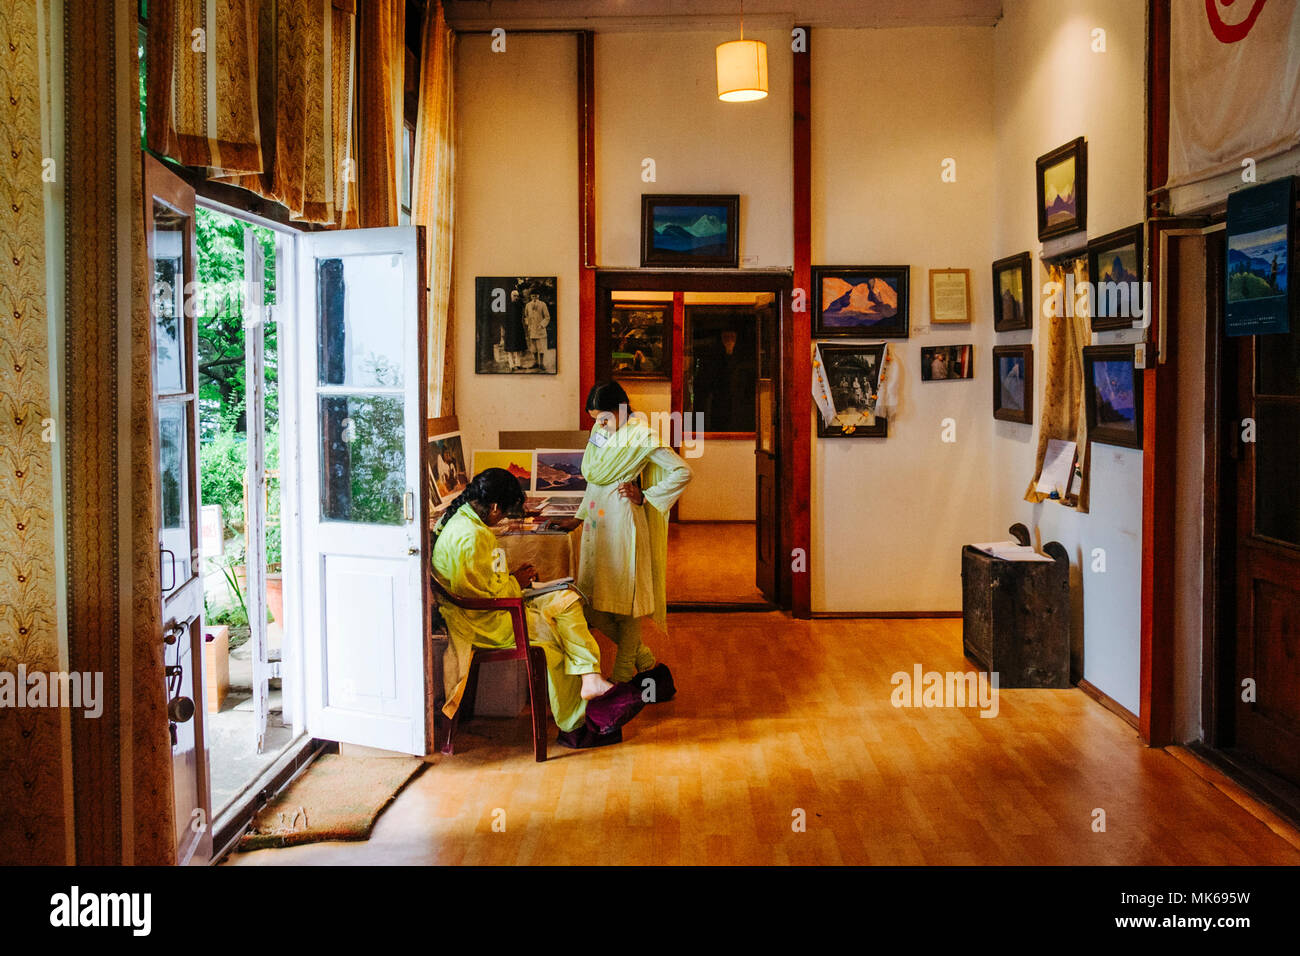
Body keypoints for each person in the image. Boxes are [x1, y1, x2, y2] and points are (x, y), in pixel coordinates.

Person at [432, 468, 643, 748]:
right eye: (505, 513)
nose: (503, 518)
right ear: (495, 507)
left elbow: (479, 583)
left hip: (488, 610)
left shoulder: (463, 522)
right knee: (555, 643)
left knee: (567, 600)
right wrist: (514, 582)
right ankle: (574, 722)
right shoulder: (471, 536)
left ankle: (590, 676)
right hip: (484, 622)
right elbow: (482, 597)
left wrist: (512, 580)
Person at [576, 382, 692, 700]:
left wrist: (646, 495)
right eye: (594, 419)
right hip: (598, 522)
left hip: (624, 524)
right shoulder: (601, 432)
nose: (597, 425)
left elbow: (681, 471)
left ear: (621, 411)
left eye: (603, 418)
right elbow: (591, 472)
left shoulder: (642, 435)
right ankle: (643, 660)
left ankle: (622, 677)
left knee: (627, 605)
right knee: (590, 603)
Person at [524, 291, 551, 370]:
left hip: (540, 329)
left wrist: (542, 325)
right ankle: (536, 362)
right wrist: (528, 324)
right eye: (533, 296)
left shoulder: (543, 304)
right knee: (533, 348)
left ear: (538, 296)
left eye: (536, 296)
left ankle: (541, 364)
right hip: (532, 329)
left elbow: (547, 317)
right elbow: (526, 316)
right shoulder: (528, 305)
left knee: (541, 347)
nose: (534, 298)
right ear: (531, 297)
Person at [504, 288, 527, 371]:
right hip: (509, 329)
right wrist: (505, 329)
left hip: (517, 328)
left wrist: (520, 300)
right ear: (511, 296)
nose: (516, 297)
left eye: (517, 296)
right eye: (514, 296)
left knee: (518, 348)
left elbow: (523, 309)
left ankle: (518, 364)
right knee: (510, 349)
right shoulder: (507, 306)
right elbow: (505, 318)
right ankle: (511, 365)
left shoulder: (519, 305)